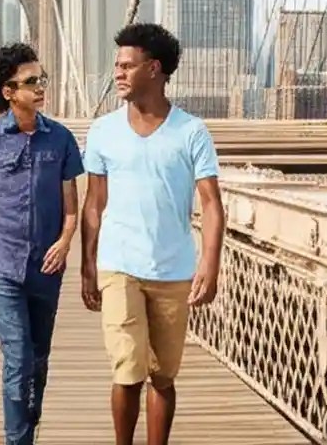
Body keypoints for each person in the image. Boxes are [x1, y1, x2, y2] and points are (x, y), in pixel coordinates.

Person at [79, 23, 223, 445]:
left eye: (127, 65)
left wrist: (210, 265)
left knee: (162, 376)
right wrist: (88, 264)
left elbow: (212, 204)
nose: (118, 73)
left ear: (154, 69)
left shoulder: (192, 132)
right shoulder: (103, 130)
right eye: (117, 65)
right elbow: (93, 203)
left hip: (173, 268)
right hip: (119, 265)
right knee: (127, 369)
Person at [0, 43, 84, 445]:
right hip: (1, 261)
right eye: (31, 81)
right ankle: (17, 439)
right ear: (8, 92)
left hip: (47, 263)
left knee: (38, 359)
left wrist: (65, 241)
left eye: (42, 79)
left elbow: (71, 209)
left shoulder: (60, 139)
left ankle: (29, 415)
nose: (41, 88)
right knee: (18, 357)